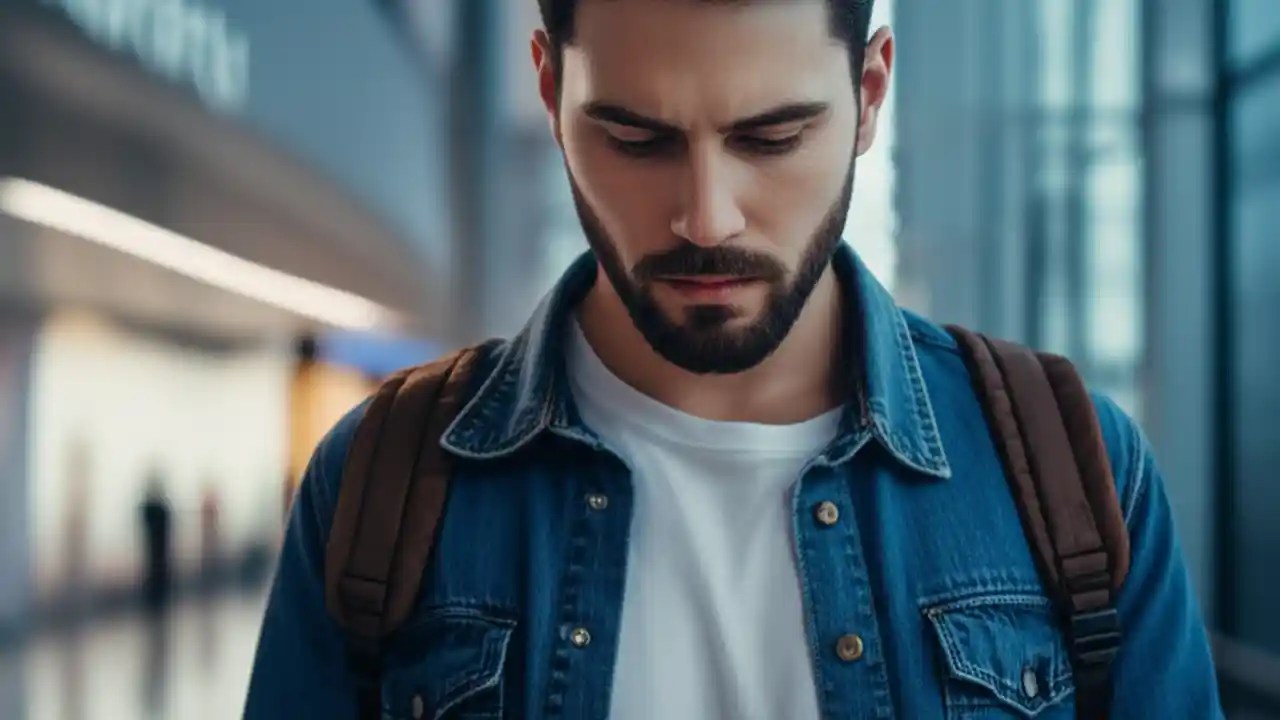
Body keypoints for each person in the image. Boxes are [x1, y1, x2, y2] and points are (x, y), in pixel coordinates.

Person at [245, 1, 1222, 717]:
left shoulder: (1073, 471)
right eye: (634, 137)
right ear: (548, 90)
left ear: (869, 93)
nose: (704, 216)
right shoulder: (379, 482)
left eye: (771, 136)